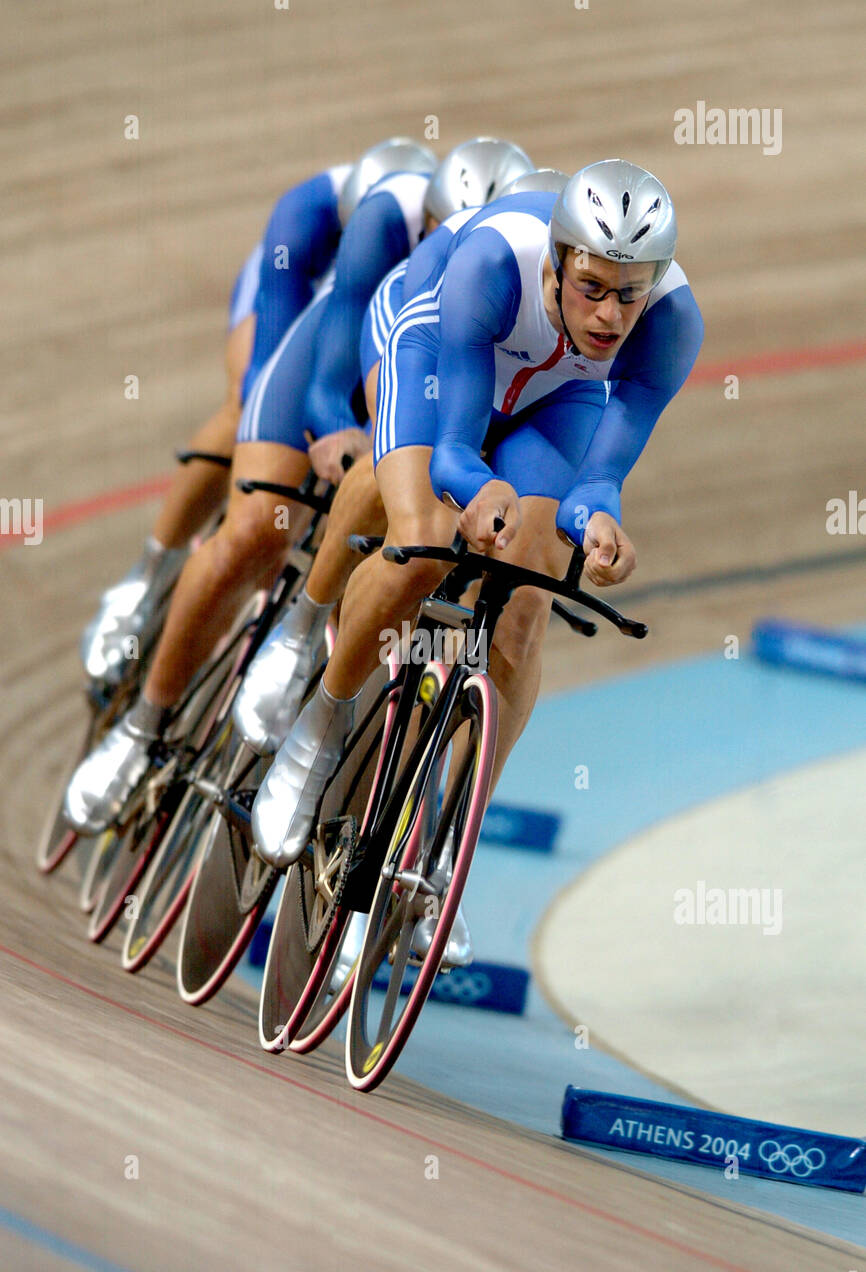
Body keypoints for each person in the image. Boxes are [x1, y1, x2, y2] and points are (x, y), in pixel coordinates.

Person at [250, 160, 705, 971]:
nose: (609, 315)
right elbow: (459, 451)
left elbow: (597, 478)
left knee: (526, 607)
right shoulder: (495, 263)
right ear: (559, 261)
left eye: (628, 295)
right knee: (423, 542)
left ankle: (441, 862)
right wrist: (477, 488)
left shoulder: (672, 326)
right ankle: (319, 726)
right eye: (593, 287)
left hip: (553, 396)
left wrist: (598, 522)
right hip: (430, 341)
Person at [63, 137, 438, 833]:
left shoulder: (453, 271)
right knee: (249, 436)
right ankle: (150, 589)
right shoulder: (312, 214)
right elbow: (277, 349)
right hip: (300, 307)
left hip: (381, 343)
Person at [232, 138, 538, 756]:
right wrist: (330, 432)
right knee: (263, 516)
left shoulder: (516, 290)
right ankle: (262, 624)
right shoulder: (382, 229)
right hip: (361, 341)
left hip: (450, 377)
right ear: (425, 224)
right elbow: (328, 381)